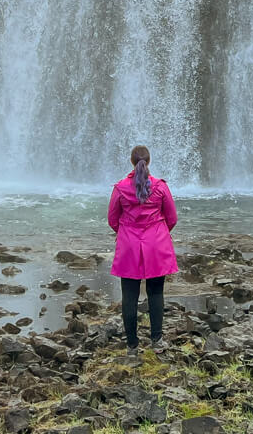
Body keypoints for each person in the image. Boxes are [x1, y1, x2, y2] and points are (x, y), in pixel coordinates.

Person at [107, 144, 178, 354]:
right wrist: (159, 233)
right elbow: (172, 217)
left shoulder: (120, 188)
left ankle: (132, 345)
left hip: (129, 245)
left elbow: (112, 219)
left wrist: (126, 232)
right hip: (156, 244)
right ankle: (156, 341)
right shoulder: (160, 187)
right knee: (156, 292)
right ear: (148, 161)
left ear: (132, 161)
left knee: (129, 296)